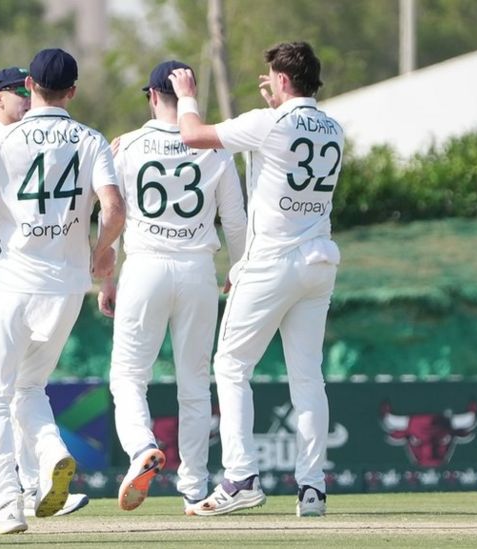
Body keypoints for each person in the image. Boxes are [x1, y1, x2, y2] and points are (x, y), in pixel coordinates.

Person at [0, 48, 124, 535]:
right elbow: (113, 207)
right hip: (67, 287)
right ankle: (52, 458)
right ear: (71, 91)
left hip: (13, 282)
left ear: (30, 87)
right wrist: (105, 252)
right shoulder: (91, 140)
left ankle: (4, 505)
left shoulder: (4, 140)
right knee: (28, 388)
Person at [169, 41, 344, 518]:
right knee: (307, 377)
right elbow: (283, 148)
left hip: (274, 261)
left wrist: (185, 95)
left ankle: (241, 477)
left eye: (273, 77)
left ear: (282, 80)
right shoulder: (333, 126)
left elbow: (192, 136)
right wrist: (275, 107)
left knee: (230, 365)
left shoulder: (269, 122)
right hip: (319, 259)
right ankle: (312, 488)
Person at [101, 60, 248, 516]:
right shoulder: (214, 147)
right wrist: (238, 269)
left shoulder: (125, 147)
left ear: (151, 96)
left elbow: (113, 215)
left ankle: (143, 446)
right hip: (197, 268)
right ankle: (195, 486)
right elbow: (237, 222)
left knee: (128, 376)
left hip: (144, 267)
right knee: (194, 385)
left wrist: (108, 278)